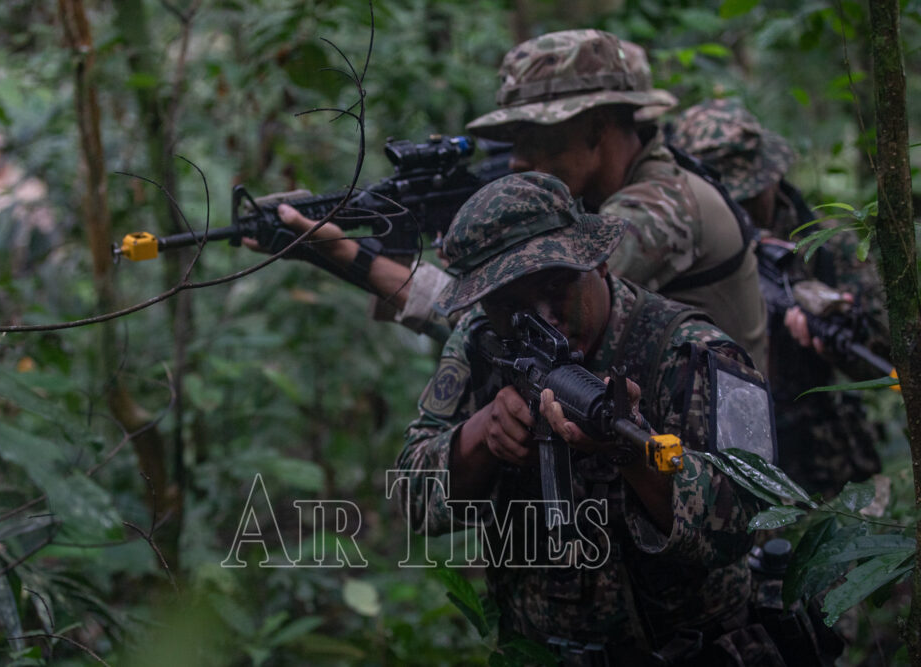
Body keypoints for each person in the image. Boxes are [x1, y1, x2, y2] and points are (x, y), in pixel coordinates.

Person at [395, 170, 787, 666]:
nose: (545, 318)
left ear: (598, 263)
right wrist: (482, 436)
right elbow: (410, 494)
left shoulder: (694, 353)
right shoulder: (481, 341)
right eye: (512, 305)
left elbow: (752, 518)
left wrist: (635, 456)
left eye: (556, 285)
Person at [245, 32, 769, 374]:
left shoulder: (657, 211)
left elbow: (517, 319)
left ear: (598, 129)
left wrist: (346, 255)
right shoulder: (598, 196)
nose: (518, 160)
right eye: (514, 139)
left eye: (537, 138)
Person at [669, 98, 888, 496]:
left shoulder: (825, 247)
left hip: (817, 456)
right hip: (713, 451)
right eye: (729, 200)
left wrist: (832, 339)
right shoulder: (679, 252)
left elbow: (883, 359)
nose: (742, 212)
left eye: (751, 197)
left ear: (772, 177)